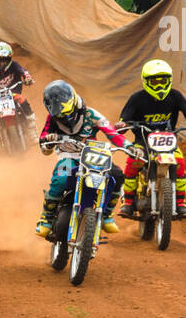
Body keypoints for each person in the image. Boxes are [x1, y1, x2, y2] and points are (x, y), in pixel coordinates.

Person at [117, 59, 186, 220]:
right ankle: (129, 201)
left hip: (168, 141)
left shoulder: (175, 96)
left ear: (169, 80)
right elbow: (125, 118)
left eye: (163, 81)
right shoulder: (137, 98)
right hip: (143, 142)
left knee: (180, 163)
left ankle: (180, 203)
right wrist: (122, 124)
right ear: (146, 81)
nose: (160, 86)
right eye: (155, 81)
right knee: (133, 162)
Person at [34, 80, 127, 237]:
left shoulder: (91, 114)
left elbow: (112, 133)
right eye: (57, 111)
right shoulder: (52, 119)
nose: (62, 117)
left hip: (94, 154)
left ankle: (106, 215)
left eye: (63, 110)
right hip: (68, 156)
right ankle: (46, 218)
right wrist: (48, 141)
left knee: (117, 176)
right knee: (61, 180)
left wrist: (130, 147)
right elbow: (44, 140)